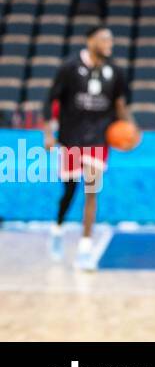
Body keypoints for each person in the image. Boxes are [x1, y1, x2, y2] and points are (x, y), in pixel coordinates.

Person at [43, 27, 134, 271]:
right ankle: (58, 227)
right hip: (71, 138)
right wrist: (48, 133)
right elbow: (50, 99)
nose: (110, 44)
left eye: (111, 39)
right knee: (70, 191)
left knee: (92, 190)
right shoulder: (69, 67)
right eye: (105, 39)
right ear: (90, 40)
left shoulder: (115, 71)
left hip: (98, 138)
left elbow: (120, 103)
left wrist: (130, 128)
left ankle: (85, 247)